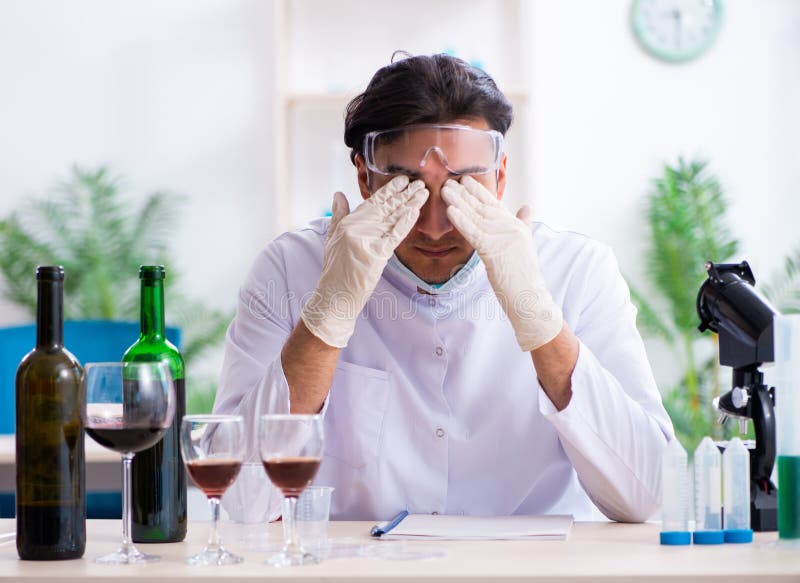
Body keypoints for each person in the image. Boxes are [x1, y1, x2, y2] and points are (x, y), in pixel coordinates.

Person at [214, 53, 674, 523]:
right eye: (407, 186)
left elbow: (650, 496)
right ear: (363, 178)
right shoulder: (290, 269)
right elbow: (243, 502)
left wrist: (539, 317)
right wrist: (328, 311)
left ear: (499, 176)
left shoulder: (577, 270)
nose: (435, 227)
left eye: (462, 185)